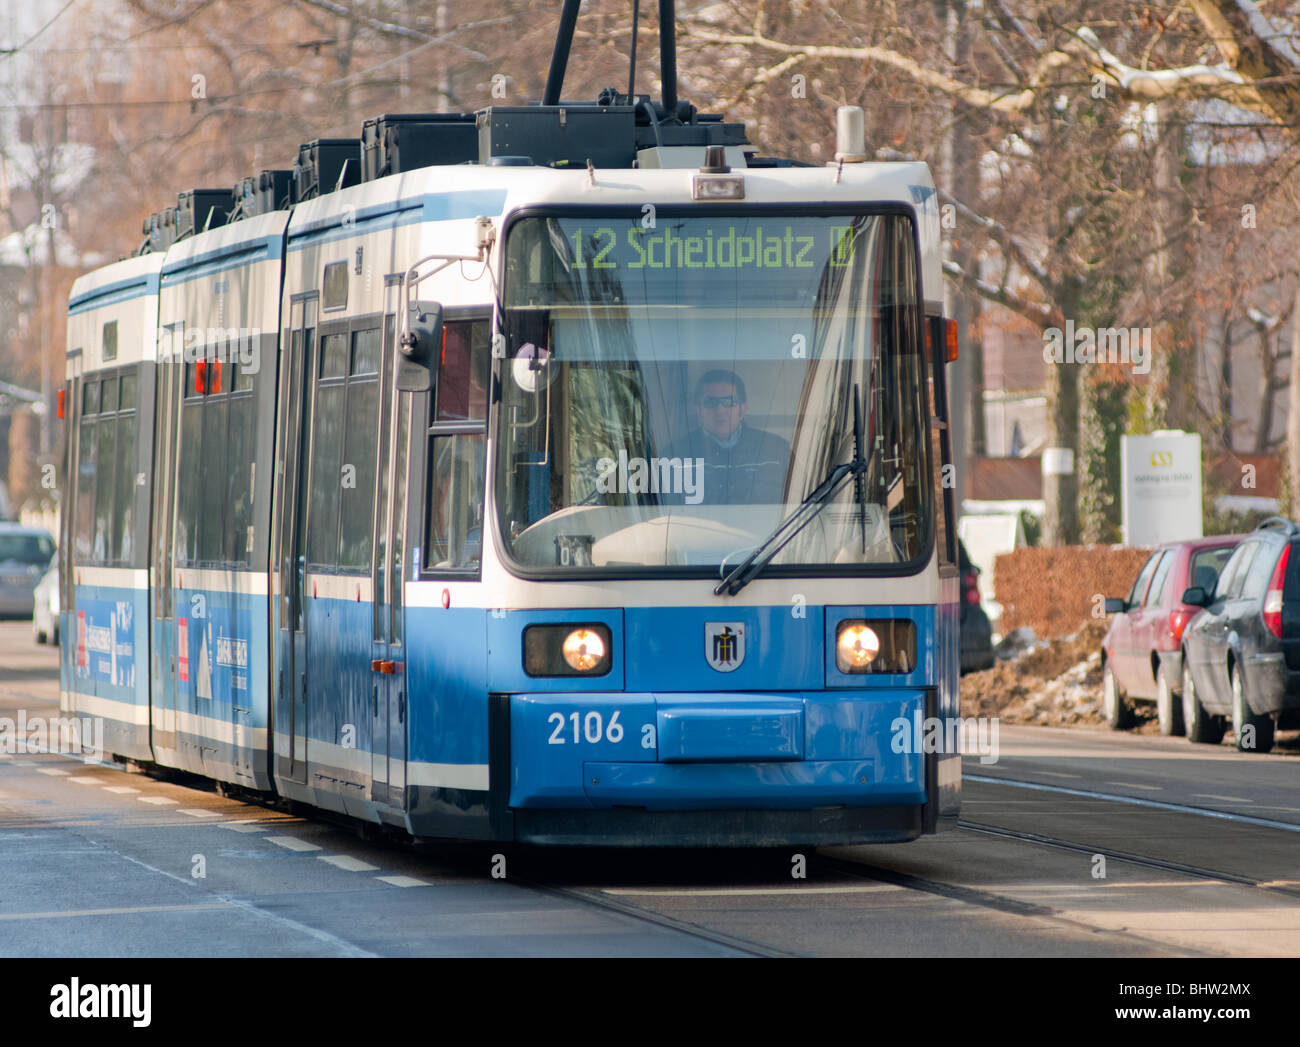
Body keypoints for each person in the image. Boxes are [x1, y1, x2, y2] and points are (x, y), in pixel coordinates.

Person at [664, 369, 790, 505]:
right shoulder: (673, 456)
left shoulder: (777, 451)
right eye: (710, 402)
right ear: (698, 410)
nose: (720, 410)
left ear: (743, 409)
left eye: (729, 402)